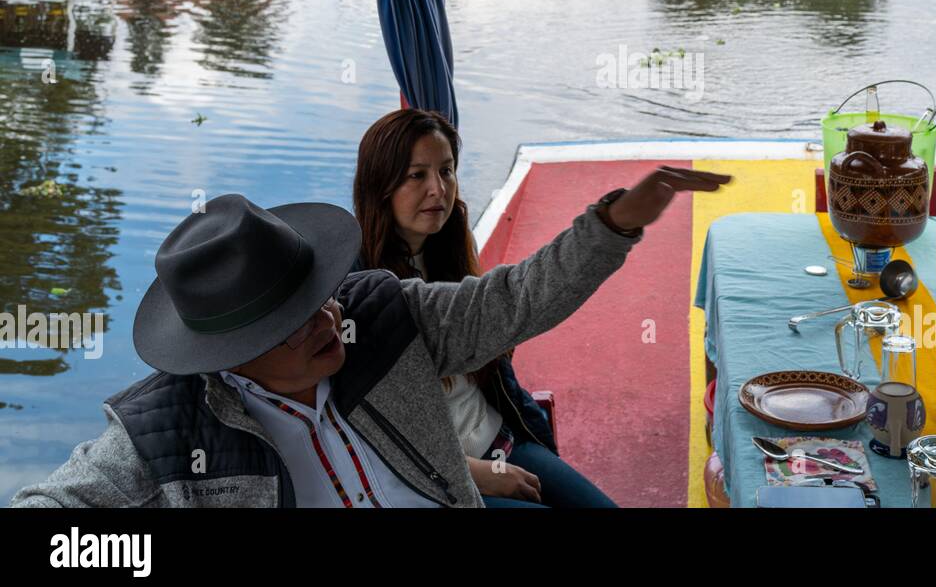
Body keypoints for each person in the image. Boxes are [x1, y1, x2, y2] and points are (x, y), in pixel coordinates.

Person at [11, 167, 729, 507]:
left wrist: (613, 223)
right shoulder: (163, 431)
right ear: (226, 357)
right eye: (294, 324)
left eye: (318, 297)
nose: (327, 320)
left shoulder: (381, 316)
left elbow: (514, 300)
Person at [352, 108, 612, 507]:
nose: (438, 189)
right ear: (379, 186)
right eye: (416, 175)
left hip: (499, 437)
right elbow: (363, 426)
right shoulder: (358, 285)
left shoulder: (453, 245)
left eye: (447, 171)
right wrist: (479, 473)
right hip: (431, 476)